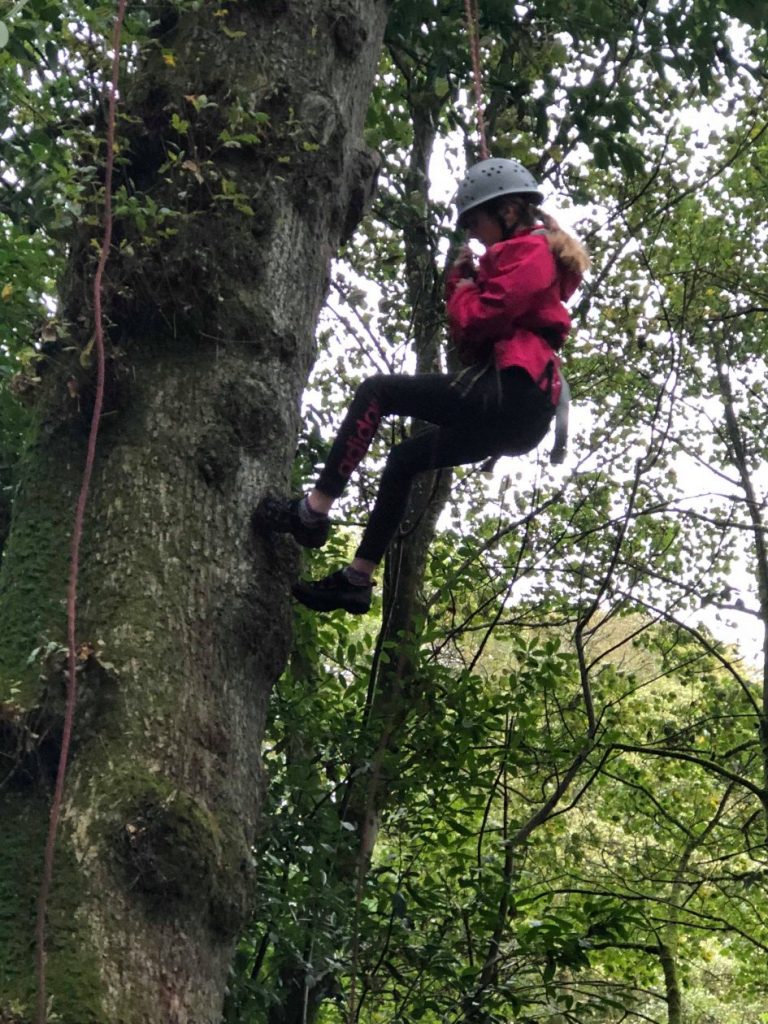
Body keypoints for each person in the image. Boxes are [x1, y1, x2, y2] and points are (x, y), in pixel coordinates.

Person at [254, 157, 590, 614]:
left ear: (509, 211)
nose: (474, 235)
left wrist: (463, 287)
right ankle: (357, 580)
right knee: (405, 459)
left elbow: (476, 321)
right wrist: (471, 280)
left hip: (513, 392)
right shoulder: (526, 257)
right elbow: (477, 337)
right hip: (516, 410)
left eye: (476, 223)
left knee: (377, 391)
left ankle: (311, 513)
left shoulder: (531, 254)